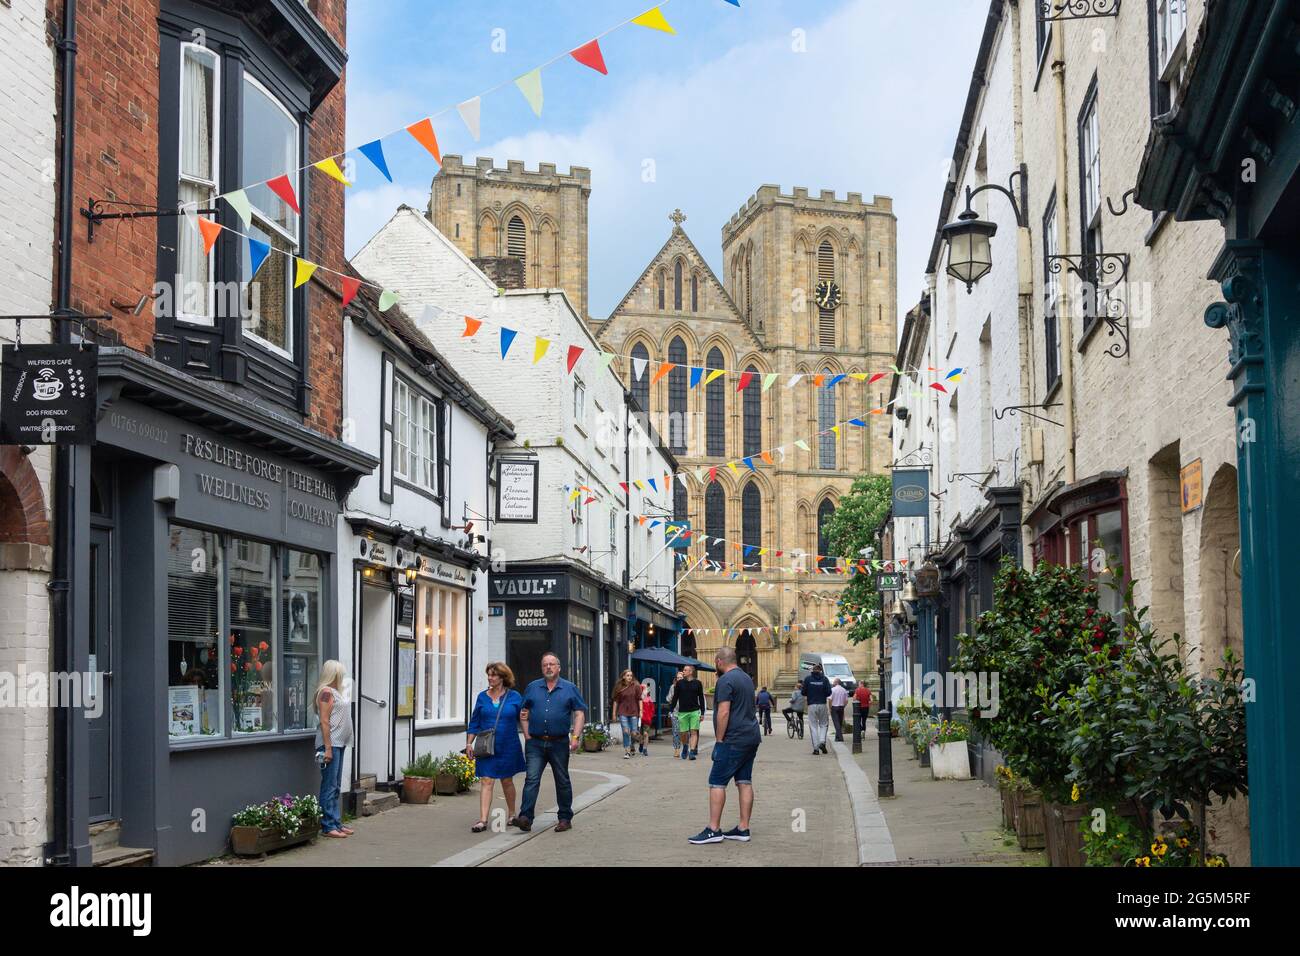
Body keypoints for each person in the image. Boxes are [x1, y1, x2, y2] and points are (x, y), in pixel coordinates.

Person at [688, 646, 761, 844]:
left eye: (715, 662)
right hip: (751, 737)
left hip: (733, 739)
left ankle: (713, 829)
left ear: (720, 661)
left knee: (717, 781)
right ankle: (743, 828)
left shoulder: (725, 680)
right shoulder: (746, 678)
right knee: (744, 781)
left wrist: (719, 741)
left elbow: (723, 712)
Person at [516, 652, 587, 832]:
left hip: (559, 742)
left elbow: (579, 713)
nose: (548, 667)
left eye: (552, 664)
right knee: (531, 779)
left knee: (562, 780)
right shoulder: (532, 687)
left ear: (559, 667)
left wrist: (576, 737)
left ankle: (564, 818)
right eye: (545, 664)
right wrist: (527, 735)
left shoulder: (569, 688)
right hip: (535, 743)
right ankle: (525, 817)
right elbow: (523, 713)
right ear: (542, 668)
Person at [465, 662, 526, 833]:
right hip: (487, 746)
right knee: (486, 780)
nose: (490, 678)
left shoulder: (514, 697)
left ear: (503, 677)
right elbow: (475, 721)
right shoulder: (482, 697)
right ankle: (483, 820)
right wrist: (469, 742)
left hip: (508, 745)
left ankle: (512, 814)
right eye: (489, 675)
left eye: (493, 675)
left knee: (507, 780)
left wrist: (530, 738)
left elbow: (524, 719)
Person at [313, 659, 354, 838]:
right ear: (333, 674)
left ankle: (336, 822)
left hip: (339, 743)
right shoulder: (326, 693)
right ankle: (328, 826)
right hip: (331, 744)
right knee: (329, 785)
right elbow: (324, 721)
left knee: (336, 785)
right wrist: (328, 748)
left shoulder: (334, 692)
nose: (342, 677)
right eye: (340, 674)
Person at [674, 664, 706, 760]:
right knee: (683, 733)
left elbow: (701, 698)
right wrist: (671, 710)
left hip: (694, 711)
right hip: (682, 712)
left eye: (685, 670)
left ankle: (692, 752)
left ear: (691, 672)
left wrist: (703, 712)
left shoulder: (698, 683)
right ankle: (685, 746)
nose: (683, 671)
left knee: (693, 732)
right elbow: (675, 697)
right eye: (683, 670)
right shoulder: (679, 683)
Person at [610, 669, 643, 759]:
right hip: (622, 712)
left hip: (634, 712)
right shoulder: (619, 687)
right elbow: (616, 701)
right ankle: (627, 751)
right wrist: (614, 714)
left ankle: (633, 744)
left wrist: (640, 711)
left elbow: (640, 699)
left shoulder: (636, 686)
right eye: (627, 675)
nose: (629, 677)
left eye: (631, 675)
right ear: (624, 676)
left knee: (633, 733)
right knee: (625, 731)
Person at [803, 663, 833, 755]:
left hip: (812, 704)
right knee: (824, 724)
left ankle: (816, 748)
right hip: (822, 704)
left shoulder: (808, 679)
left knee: (813, 726)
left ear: (812, 670)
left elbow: (803, 692)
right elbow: (829, 692)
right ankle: (822, 741)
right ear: (820, 671)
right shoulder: (824, 679)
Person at [666, 669, 685, 756]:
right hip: (675, 712)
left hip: (685, 712)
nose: (679, 679)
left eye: (681, 678)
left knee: (684, 731)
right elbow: (668, 699)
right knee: (675, 731)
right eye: (678, 678)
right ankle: (677, 749)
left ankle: (685, 747)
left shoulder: (687, 687)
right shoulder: (672, 687)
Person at [829, 678, 849, 743]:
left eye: (834, 682)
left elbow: (830, 700)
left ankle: (840, 737)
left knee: (836, 723)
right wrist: (843, 706)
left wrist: (830, 707)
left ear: (837, 682)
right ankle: (837, 737)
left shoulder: (832, 690)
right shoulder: (844, 690)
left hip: (834, 707)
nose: (833, 683)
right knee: (839, 723)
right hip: (841, 707)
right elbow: (846, 701)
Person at [639, 685, 655, 755]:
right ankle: (641, 744)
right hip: (639, 719)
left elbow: (652, 710)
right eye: (645, 689)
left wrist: (650, 716)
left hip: (647, 719)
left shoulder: (649, 699)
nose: (646, 690)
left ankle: (645, 749)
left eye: (646, 689)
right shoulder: (639, 699)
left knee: (645, 733)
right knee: (640, 734)